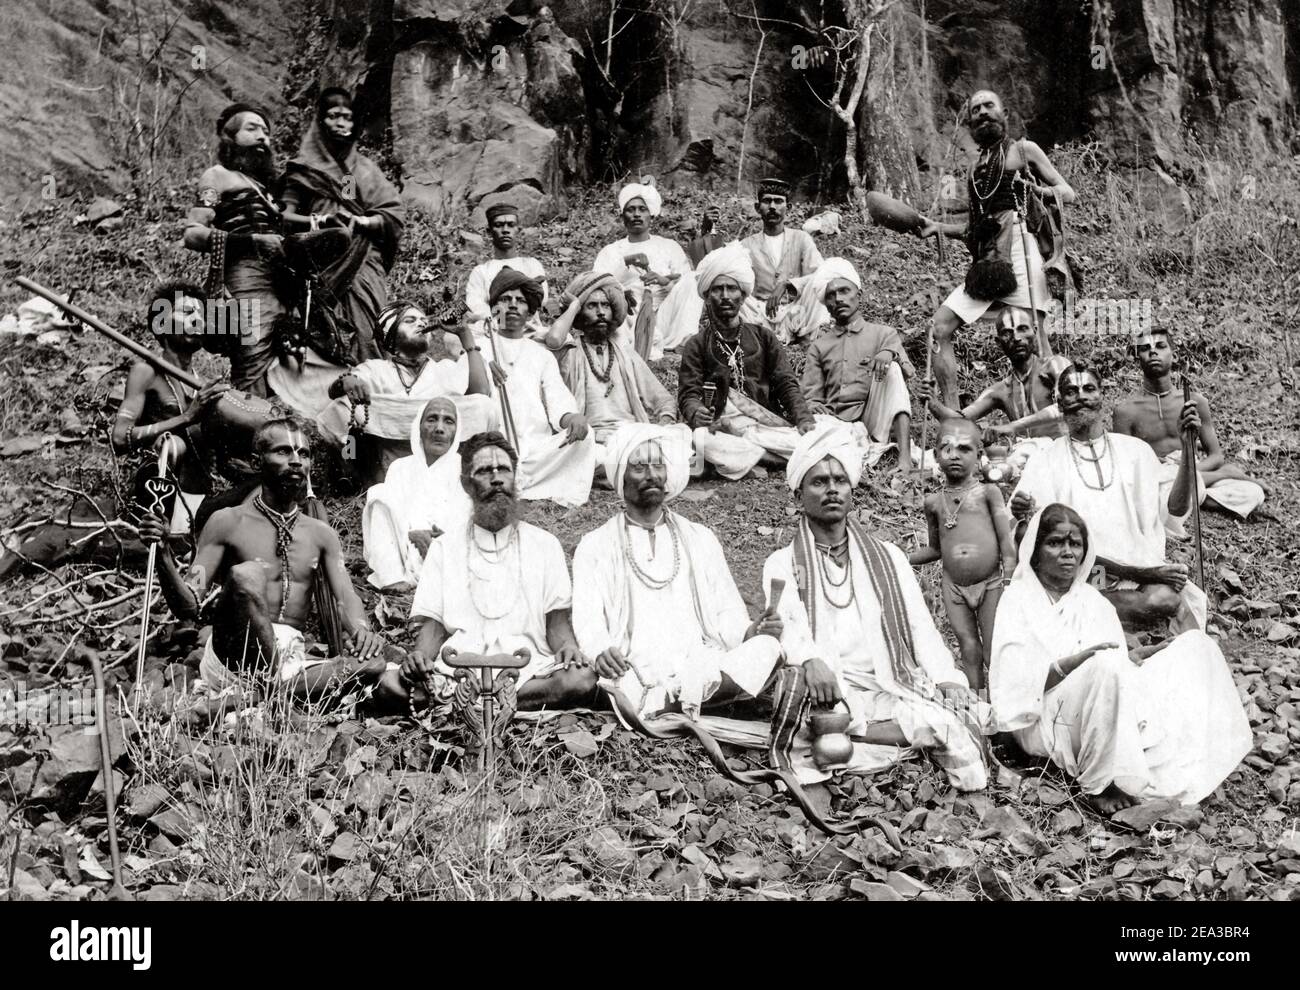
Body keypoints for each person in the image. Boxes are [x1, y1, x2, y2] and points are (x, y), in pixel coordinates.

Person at [762, 424, 990, 789]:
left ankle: (851, 738)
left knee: (957, 714)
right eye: (819, 482)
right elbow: (789, 625)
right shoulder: (782, 562)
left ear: (852, 490)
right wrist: (809, 660)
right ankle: (847, 735)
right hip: (832, 688)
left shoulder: (889, 558)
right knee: (804, 701)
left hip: (889, 684)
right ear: (798, 494)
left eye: (840, 480)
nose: (832, 489)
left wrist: (948, 678)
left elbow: (920, 627)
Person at [990, 504, 1251, 813]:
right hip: (1043, 719)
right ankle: (1101, 783)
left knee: (1196, 647)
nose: (1067, 552)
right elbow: (1011, 682)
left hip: (1101, 702)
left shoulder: (1093, 601)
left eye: (1075, 544)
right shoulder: (1017, 599)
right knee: (1103, 666)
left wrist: (1133, 659)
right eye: (1055, 542)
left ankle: (1143, 754)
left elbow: (1114, 667)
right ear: (1035, 550)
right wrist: (1074, 665)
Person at [139, 418, 392, 698]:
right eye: (283, 451)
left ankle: (264, 697)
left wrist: (362, 631)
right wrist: (162, 552)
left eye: (303, 453)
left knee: (374, 663)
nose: (296, 461)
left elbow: (346, 596)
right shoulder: (226, 521)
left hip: (290, 661)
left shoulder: (321, 534)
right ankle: (280, 698)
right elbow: (188, 606)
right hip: (232, 659)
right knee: (247, 575)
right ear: (257, 462)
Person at [572, 423, 784, 718]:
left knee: (767, 649)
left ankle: (668, 701)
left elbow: (726, 610)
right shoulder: (594, 545)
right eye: (638, 467)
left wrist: (749, 631)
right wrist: (600, 650)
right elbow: (587, 619)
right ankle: (677, 699)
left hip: (699, 660)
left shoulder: (700, 537)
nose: (651, 474)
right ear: (622, 478)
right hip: (633, 662)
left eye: (658, 465)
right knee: (620, 681)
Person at [385, 431, 596, 713]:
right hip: (458, 669)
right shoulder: (444, 548)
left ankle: (472, 703)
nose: (496, 478)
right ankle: (495, 702)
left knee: (581, 679)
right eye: (484, 471)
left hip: (528, 669)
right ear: (466, 484)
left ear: (514, 478)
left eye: (504, 470)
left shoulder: (546, 545)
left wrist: (568, 647)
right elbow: (433, 624)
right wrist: (420, 657)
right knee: (390, 683)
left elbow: (556, 623)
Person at [1009, 362, 1206, 632]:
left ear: (1102, 395)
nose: (1080, 396)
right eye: (1071, 391)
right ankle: (1090, 612)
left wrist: (1186, 448)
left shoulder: (1136, 451)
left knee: (1164, 599)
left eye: (1088, 389)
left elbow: (1176, 508)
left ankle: (1089, 612)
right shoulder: (1045, 459)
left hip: (1137, 565)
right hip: (1083, 573)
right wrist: (1024, 513)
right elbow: (1028, 533)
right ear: (1060, 402)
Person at [919, 90, 1076, 408]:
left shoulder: (1023, 149)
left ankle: (1053, 417)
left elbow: (1067, 192)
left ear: (1004, 112)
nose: (982, 112)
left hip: (1020, 250)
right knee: (939, 328)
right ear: (971, 121)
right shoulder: (975, 169)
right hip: (988, 258)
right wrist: (939, 228)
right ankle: (953, 415)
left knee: (1035, 342)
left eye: (989, 105)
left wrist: (1036, 189)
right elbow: (974, 229)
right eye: (976, 109)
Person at [278, 87, 404, 361]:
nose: (341, 124)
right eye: (333, 116)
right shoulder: (304, 170)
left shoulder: (366, 170)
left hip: (362, 263)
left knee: (366, 329)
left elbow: (392, 215)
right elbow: (284, 219)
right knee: (319, 334)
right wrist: (321, 221)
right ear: (320, 120)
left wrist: (360, 221)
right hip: (318, 262)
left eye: (347, 117)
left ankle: (370, 386)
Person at [679, 242, 818, 479]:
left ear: (743, 295)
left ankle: (754, 458)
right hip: (722, 428)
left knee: (816, 434)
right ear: (707, 295)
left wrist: (803, 418)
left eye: (731, 289)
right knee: (699, 439)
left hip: (764, 426)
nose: (725, 296)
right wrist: (695, 411)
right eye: (717, 289)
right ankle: (775, 459)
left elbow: (786, 382)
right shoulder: (697, 344)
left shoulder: (763, 336)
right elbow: (688, 393)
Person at [317, 300, 489, 484]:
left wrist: (465, 335)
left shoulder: (444, 369)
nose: (421, 323)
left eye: (423, 320)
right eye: (410, 320)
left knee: (484, 406)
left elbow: (481, 395)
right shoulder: (376, 369)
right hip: (386, 459)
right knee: (341, 407)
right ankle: (350, 473)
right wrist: (347, 381)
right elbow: (333, 391)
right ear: (391, 334)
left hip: (438, 450)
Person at [182, 103, 287, 395]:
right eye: (251, 128)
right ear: (230, 136)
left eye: (266, 132)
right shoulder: (215, 176)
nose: (262, 137)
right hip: (243, 281)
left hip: (279, 283)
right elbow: (193, 233)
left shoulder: (267, 188)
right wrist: (250, 241)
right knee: (251, 361)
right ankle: (247, 428)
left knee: (284, 366)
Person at [908, 419, 1017, 695]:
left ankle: (1002, 707)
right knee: (969, 647)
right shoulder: (933, 502)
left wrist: (1009, 578)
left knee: (995, 648)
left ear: (979, 456)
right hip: (953, 586)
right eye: (946, 448)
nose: (954, 455)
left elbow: (1006, 542)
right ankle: (978, 706)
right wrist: (902, 558)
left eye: (964, 449)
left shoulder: (988, 493)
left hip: (991, 583)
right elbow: (935, 548)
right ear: (935, 456)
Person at [1113, 327, 1266, 523]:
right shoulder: (1126, 411)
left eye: (1160, 346)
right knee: (1153, 494)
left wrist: (1190, 473)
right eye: (1145, 348)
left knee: (1252, 493)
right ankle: (1208, 485)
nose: (1153, 352)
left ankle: (1195, 492)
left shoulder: (1194, 402)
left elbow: (1216, 455)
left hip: (1191, 469)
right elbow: (1127, 469)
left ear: (1173, 354)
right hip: (1157, 478)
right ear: (1137, 358)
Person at [112, 282, 230, 529]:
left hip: (199, 502)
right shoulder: (146, 372)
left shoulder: (202, 385)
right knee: (172, 445)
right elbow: (120, 438)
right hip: (158, 502)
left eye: (201, 315)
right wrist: (187, 417)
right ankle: (157, 531)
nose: (197, 320)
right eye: (187, 313)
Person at [482, 268, 596, 506]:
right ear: (494, 308)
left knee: (586, 436)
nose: (512, 306)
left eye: (520, 301)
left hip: (536, 452)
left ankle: (519, 482)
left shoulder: (541, 355)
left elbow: (557, 399)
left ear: (530, 312)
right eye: (505, 299)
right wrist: (482, 366)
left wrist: (571, 417)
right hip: (492, 446)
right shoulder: (479, 348)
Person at [361, 394, 498, 591]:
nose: (439, 429)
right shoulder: (400, 467)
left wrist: (441, 539)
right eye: (432, 419)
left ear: (457, 431)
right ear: (419, 427)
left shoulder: (466, 469)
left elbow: (467, 521)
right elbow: (393, 518)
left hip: (450, 557)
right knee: (378, 493)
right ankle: (392, 580)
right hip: (406, 555)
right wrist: (413, 533)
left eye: (448, 421)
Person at [917, 307, 1068, 474]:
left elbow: (1066, 406)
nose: (1017, 338)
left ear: (1035, 331)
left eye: (1022, 329)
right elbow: (959, 421)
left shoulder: (1055, 365)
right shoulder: (1001, 390)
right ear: (998, 342)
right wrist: (934, 404)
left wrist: (1011, 427)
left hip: (1062, 451)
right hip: (1023, 458)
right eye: (1007, 333)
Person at [800, 258, 914, 471]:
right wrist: (816, 407)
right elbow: (811, 397)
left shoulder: (883, 333)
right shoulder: (819, 346)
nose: (838, 299)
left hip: (874, 417)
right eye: (831, 296)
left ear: (858, 295)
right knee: (810, 434)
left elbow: (907, 374)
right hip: (836, 422)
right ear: (826, 305)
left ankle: (905, 459)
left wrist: (889, 353)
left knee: (894, 370)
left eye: (844, 291)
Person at [544, 271, 677, 445]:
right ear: (580, 313)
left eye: (605, 305)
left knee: (682, 436)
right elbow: (553, 340)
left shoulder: (625, 353)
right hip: (588, 440)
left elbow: (663, 399)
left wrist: (664, 422)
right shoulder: (568, 352)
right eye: (591, 306)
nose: (600, 312)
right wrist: (575, 305)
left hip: (630, 437)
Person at [592, 180, 693, 356]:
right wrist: (624, 264)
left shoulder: (668, 246)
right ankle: (631, 342)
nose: (636, 214)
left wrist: (663, 280)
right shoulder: (610, 251)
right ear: (622, 216)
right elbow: (596, 284)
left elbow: (684, 283)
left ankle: (683, 341)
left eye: (642, 209)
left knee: (693, 280)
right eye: (631, 210)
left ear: (651, 215)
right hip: (627, 316)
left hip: (663, 315)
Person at [738, 178, 826, 343]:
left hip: (795, 312)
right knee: (733, 290)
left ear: (788, 208)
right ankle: (757, 337)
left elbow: (819, 274)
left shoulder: (801, 238)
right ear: (758, 208)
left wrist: (788, 284)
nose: (772, 207)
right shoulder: (746, 245)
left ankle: (804, 338)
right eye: (767, 201)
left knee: (822, 281)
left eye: (778, 201)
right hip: (759, 313)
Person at [463, 202, 549, 336]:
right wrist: (502, 323)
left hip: (529, 329)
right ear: (489, 231)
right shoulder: (481, 271)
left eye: (511, 224)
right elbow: (476, 305)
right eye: (498, 225)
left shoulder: (531, 264)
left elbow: (540, 298)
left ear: (518, 230)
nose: (505, 230)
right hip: (493, 329)